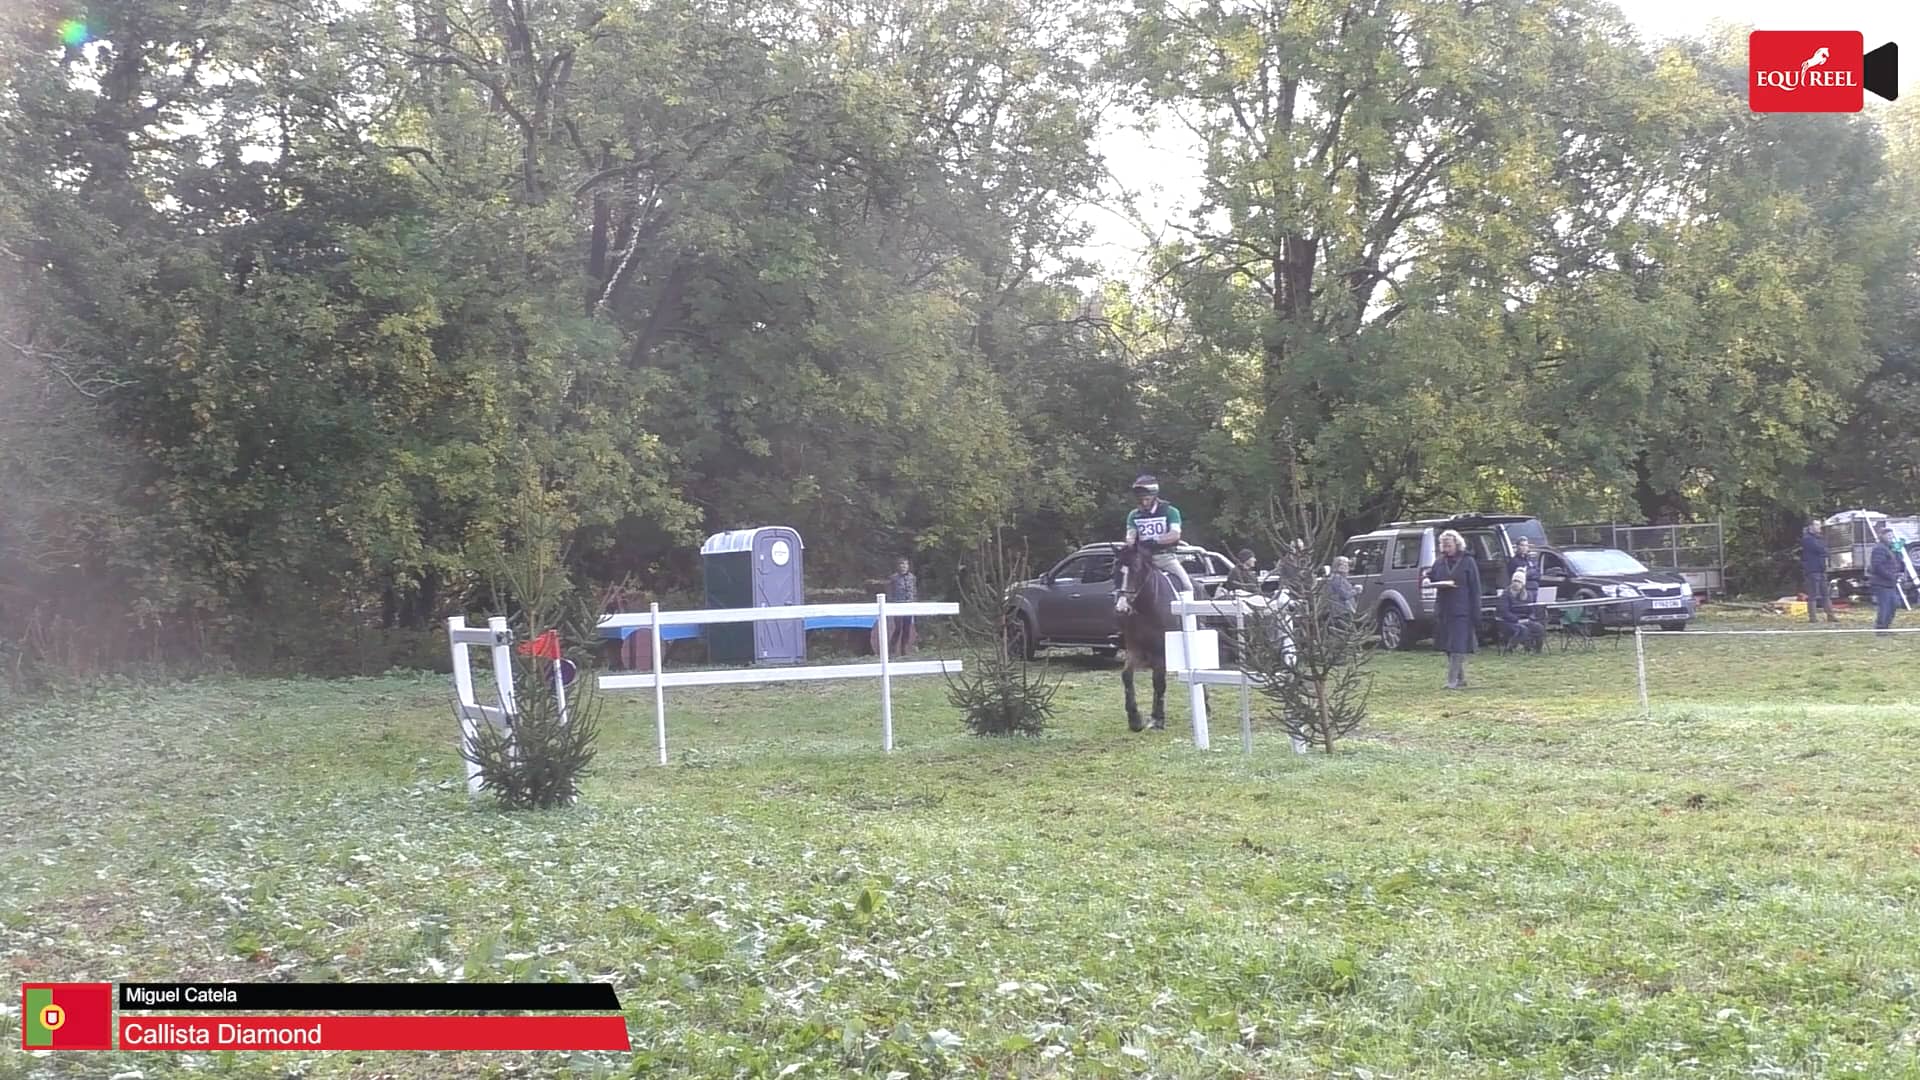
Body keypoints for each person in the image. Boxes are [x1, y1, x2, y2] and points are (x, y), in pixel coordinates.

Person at [1123, 475, 1193, 598]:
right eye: (1140, 499)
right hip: (1141, 560)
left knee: (1187, 586)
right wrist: (1132, 542)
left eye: (1147, 499)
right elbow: (1130, 535)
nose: (1144, 503)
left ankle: (1189, 615)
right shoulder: (1134, 515)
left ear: (1154, 496)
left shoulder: (1170, 512)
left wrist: (1155, 541)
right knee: (1124, 584)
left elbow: (1175, 534)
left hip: (1164, 558)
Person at [1431, 529, 1482, 689]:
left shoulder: (1468, 561)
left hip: (1462, 609)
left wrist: (1476, 611)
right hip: (1444, 608)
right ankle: (1461, 679)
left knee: (1458, 645)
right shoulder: (1439, 562)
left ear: (1457, 544)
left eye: (1449, 545)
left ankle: (1452, 681)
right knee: (1448, 645)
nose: (1446, 548)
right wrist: (1428, 579)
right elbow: (1432, 576)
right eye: (1443, 545)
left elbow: (1475, 588)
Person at [1496, 569, 1544, 653]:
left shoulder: (1528, 595)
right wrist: (1516, 619)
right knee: (1523, 629)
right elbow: (1503, 611)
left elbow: (1531, 609)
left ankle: (1537, 650)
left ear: (1523, 584)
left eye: (1519, 581)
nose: (1516, 583)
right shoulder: (1506, 594)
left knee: (1539, 627)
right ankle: (1510, 648)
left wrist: (1530, 617)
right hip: (1509, 622)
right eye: (1514, 581)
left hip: (1524, 620)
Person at [1800, 519, 1837, 623]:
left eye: (1819, 525)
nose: (1819, 527)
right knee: (1813, 594)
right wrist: (1824, 550)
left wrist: (1824, 551)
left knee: (1826, 594)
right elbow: (1820, 549)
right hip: (1812, 570)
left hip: (1821, 569)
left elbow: (1826, 551)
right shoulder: (1807, 539)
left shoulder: (1820, 538)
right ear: (1810, 527)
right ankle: (1813, 617)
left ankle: (1830, 615)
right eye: (1816, 525)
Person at [1869, 525, 1901, 634]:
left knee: (1894, 605)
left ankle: (1886, 627)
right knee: (1885, 607)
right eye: (1888, 535)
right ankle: (1881, 629)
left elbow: (1896, 562)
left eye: (1892, 535)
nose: (1891, 537)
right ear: (1882, 536)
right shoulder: (1879, 548)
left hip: (1890, 583)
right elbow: (1877, 566)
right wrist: (1890, 576)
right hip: (1881, 583)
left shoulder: (1889, 548)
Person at [886, 557, 917, 656]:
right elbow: (890, 592)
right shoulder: (893, 578)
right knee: (898, 627)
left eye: (906, 564)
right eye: (902, 564)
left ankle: (904, 649)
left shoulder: (912, 577)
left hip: (909, 605)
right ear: (898, 566)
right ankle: (892, 648)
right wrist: (891, 605)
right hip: (897, 605)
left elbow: (914, 591)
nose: (904, 566)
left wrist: (914, 602)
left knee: (907, 628)